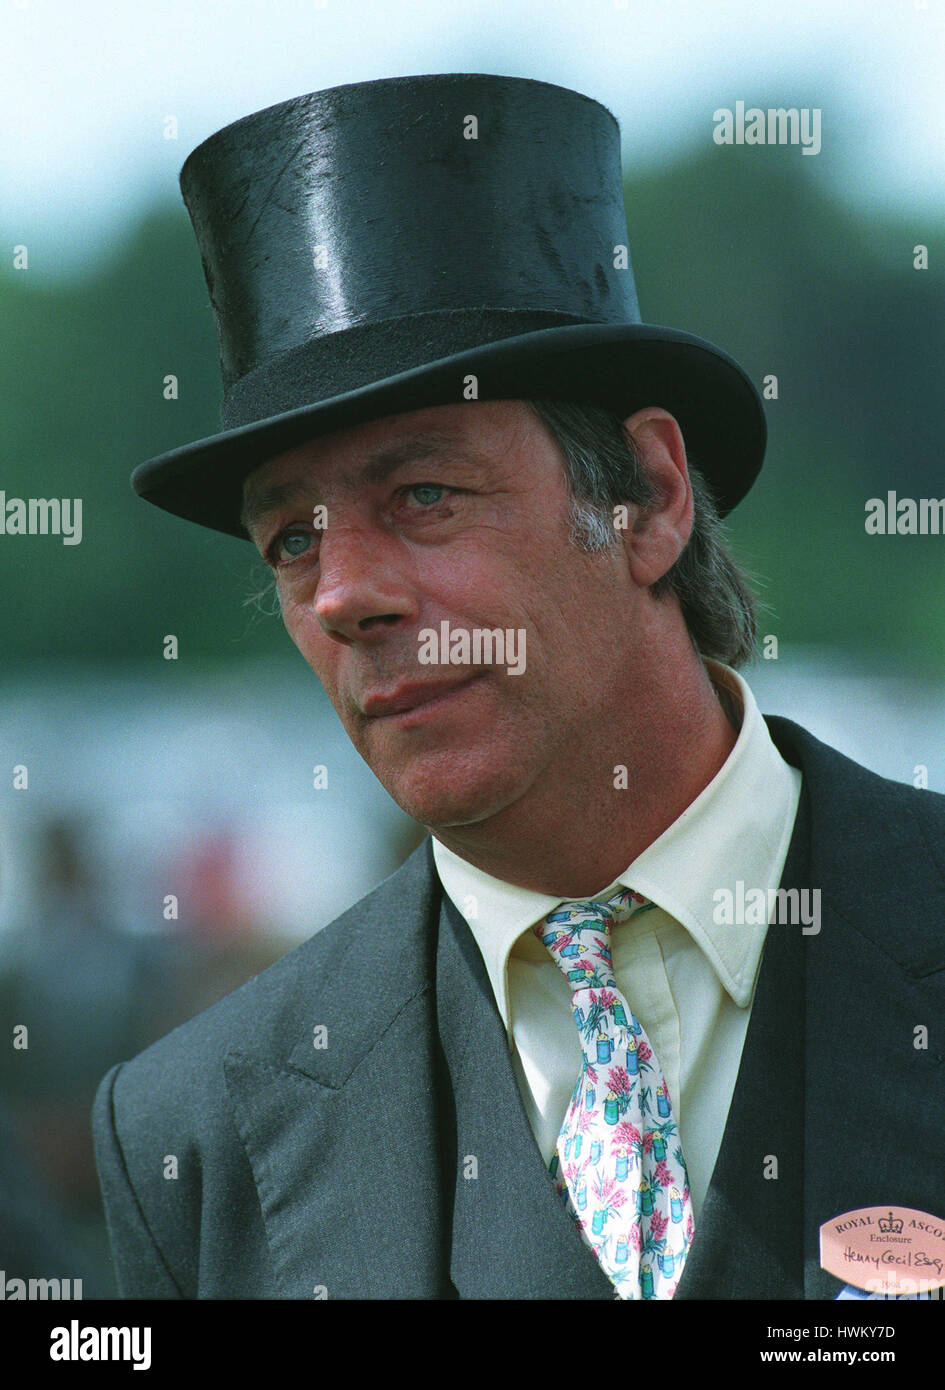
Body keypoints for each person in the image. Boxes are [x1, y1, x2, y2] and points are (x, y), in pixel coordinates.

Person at [92, 73, 945, 1300]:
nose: (343, 594)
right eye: (291, 540)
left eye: (424, 495)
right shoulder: (195, 1134)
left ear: (648, 497)